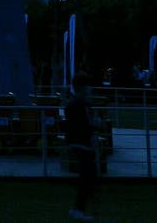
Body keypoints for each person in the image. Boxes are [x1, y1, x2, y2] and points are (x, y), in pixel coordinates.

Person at [64, 73, 97, 222]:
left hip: (81, 144)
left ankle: (78, 208)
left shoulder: (80, 104)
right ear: (83, 87)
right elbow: (82, 126)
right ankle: (79, 209)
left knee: (87, 178)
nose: (90, 89)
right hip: (82, 145)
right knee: (87, 178)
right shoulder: (77, 105)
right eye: (88, 86)